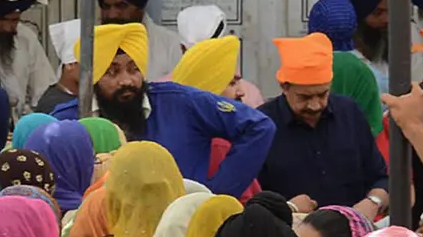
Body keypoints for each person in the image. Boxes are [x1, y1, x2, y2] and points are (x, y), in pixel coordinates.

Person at [53, 23, 274, 197]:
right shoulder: (68, 120)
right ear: (94, 76)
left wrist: (215, 193)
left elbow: (259, 126)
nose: (126, 81)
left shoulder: (180, 103)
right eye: (112, 72)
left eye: (134, 69)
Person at [259, 33, 390, 219]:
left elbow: (381, 178)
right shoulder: (263, 126)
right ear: (284, 87)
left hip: (352, 229)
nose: (314, 105)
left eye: (322, 95)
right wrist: (288, 209)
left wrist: (372, 203)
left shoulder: (349, 113)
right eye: (304, 97)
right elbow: (253, 203)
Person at [93, 0, 184, 78]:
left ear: (140, 6)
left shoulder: (171, 46)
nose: (112, 15)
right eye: (106, 6)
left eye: (121, 6)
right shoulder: (86, 46)